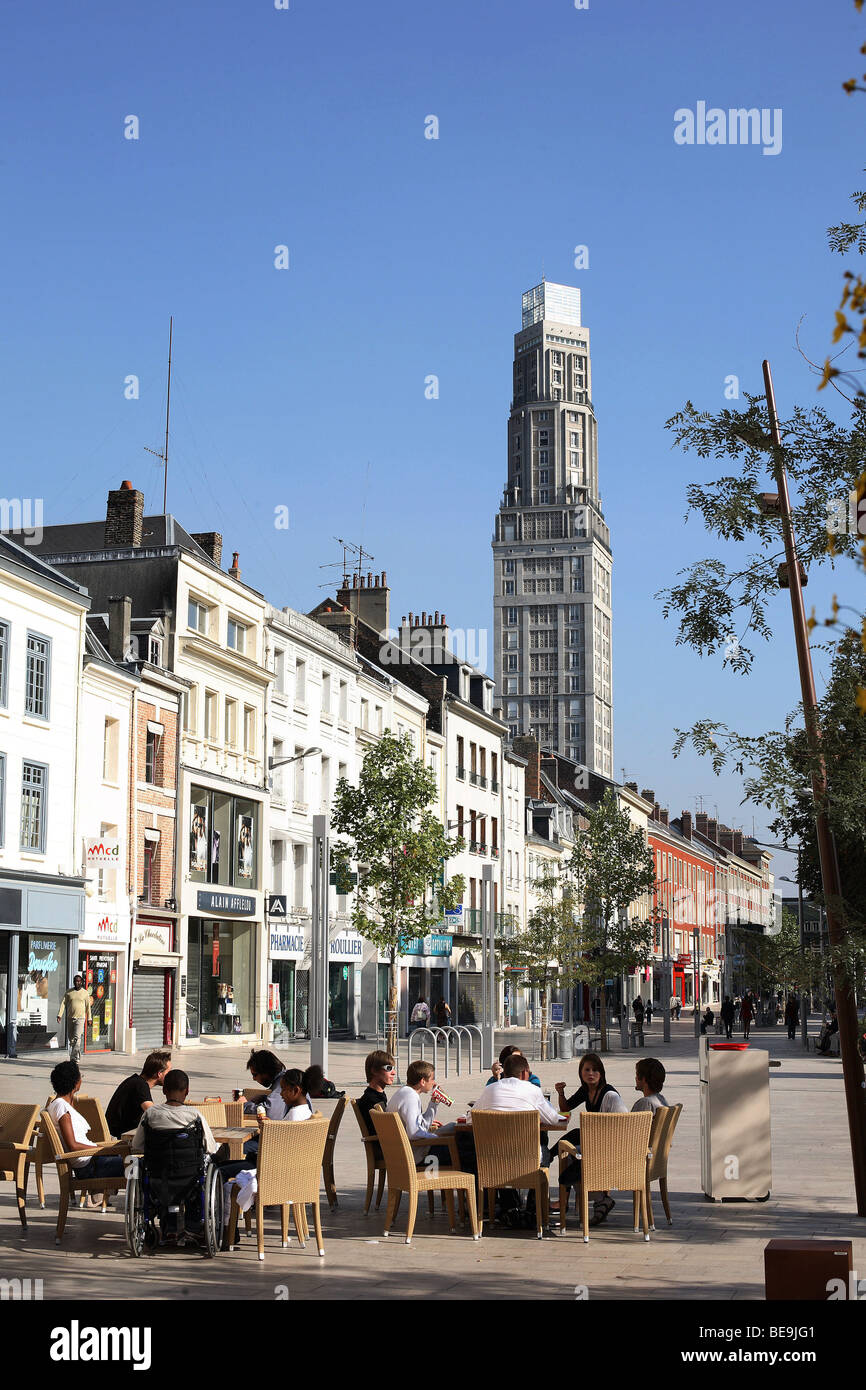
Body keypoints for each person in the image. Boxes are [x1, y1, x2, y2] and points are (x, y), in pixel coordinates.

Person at [553, 1051, 628, 1224]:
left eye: (595, 1070)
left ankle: (595, 1200)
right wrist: (561, 1093)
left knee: (573, 1151)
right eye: (586, 1070)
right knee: (572, 1146)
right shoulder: (586, 1090)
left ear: (601, 1073)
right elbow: (566, 1108)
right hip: (596, 1143)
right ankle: (598, 1201)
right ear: (581, 1073)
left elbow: (624, 1122)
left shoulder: (610, 1095)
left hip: (610, 1148)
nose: (591, 1074)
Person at [48, 1060, 125, 1203]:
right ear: (75, 1082)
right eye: (80, 1076)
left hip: (91, 1161)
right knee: (138, 1165)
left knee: (130, 1157)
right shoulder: (61, 1108)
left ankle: (100, 1193)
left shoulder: (58, 1104)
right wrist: (100, 1149)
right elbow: (73, 1145)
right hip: (89, 1166)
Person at [130, 1068, 220, 1156]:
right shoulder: (195, 1116)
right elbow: (210, 1148)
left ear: (164, 1090)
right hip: (190, 1169)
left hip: (156, 1168)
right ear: (187, 1091)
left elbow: (137, 1145)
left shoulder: (150, 1114)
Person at [105, 1051, 172, 1139]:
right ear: (159, 1074)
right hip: (118, 1140)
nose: (171, 1076)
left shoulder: (136, 1081)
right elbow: (153, 1113)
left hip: (119, 1134)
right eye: (169, 1072)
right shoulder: (140, 1085)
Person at [386, 1059, 443, 1160]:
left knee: (451, 1129)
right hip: (413, 1155)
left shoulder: (406, 1092)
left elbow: (422, 1126)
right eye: (432, 1079)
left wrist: (434, 1104)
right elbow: (414, 1132)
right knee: (461, 1148)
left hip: (405, 1150)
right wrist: (438, 1138)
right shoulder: (410, 1097)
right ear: (422, 1081)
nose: (434, 1083)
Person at [356, 1050, 396, 1160]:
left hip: (385, 1146)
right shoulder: (371, 1100)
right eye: (389, 1068)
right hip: (384, 1150)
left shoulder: (378, 1095)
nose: (394, 1073)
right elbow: (383, 1129)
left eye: (393, 1069)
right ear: (374, 1071)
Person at [57, 974, 91, 1062]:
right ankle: (77, 1054)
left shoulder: (85, 993)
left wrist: (89, 1018)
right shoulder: (69, 992)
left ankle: (74, 1058)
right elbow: (63, 1003)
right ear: (73, 982)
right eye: (76, 981)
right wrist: (59, 1015)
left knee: (77, 1038)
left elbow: (88, 1007)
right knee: (71, 1039)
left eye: (79, 981)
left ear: (82, 982)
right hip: (70, 1018)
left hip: (80, 1019)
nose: (77, 982)